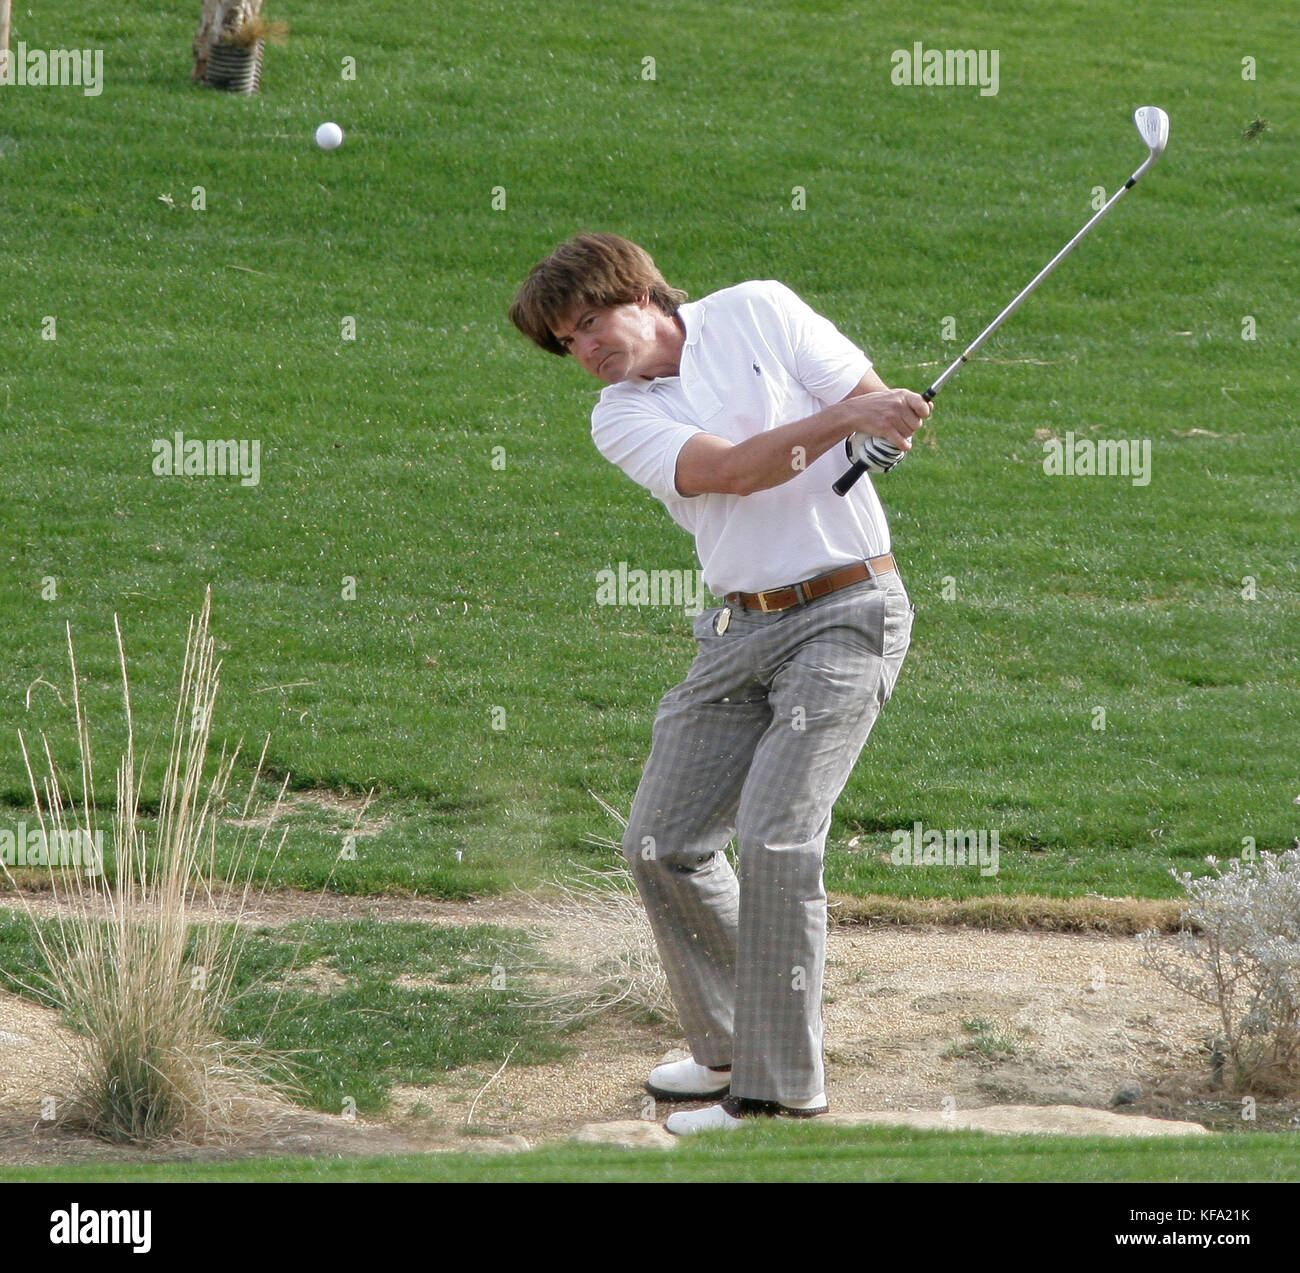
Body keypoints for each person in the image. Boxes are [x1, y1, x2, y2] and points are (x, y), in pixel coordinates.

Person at [508, 233, 931, 1134]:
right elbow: (735, 472)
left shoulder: (760, 308)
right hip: (740, 628)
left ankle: (780, 1094)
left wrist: (881, 424)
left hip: (849, 609)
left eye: (589, 322)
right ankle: (740, 1039)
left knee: (778, 839)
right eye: (566, 343)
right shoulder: (619, 416)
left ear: (642, 294)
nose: (584, 349)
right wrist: (852, 421)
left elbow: (865, 398)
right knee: (661, 840)